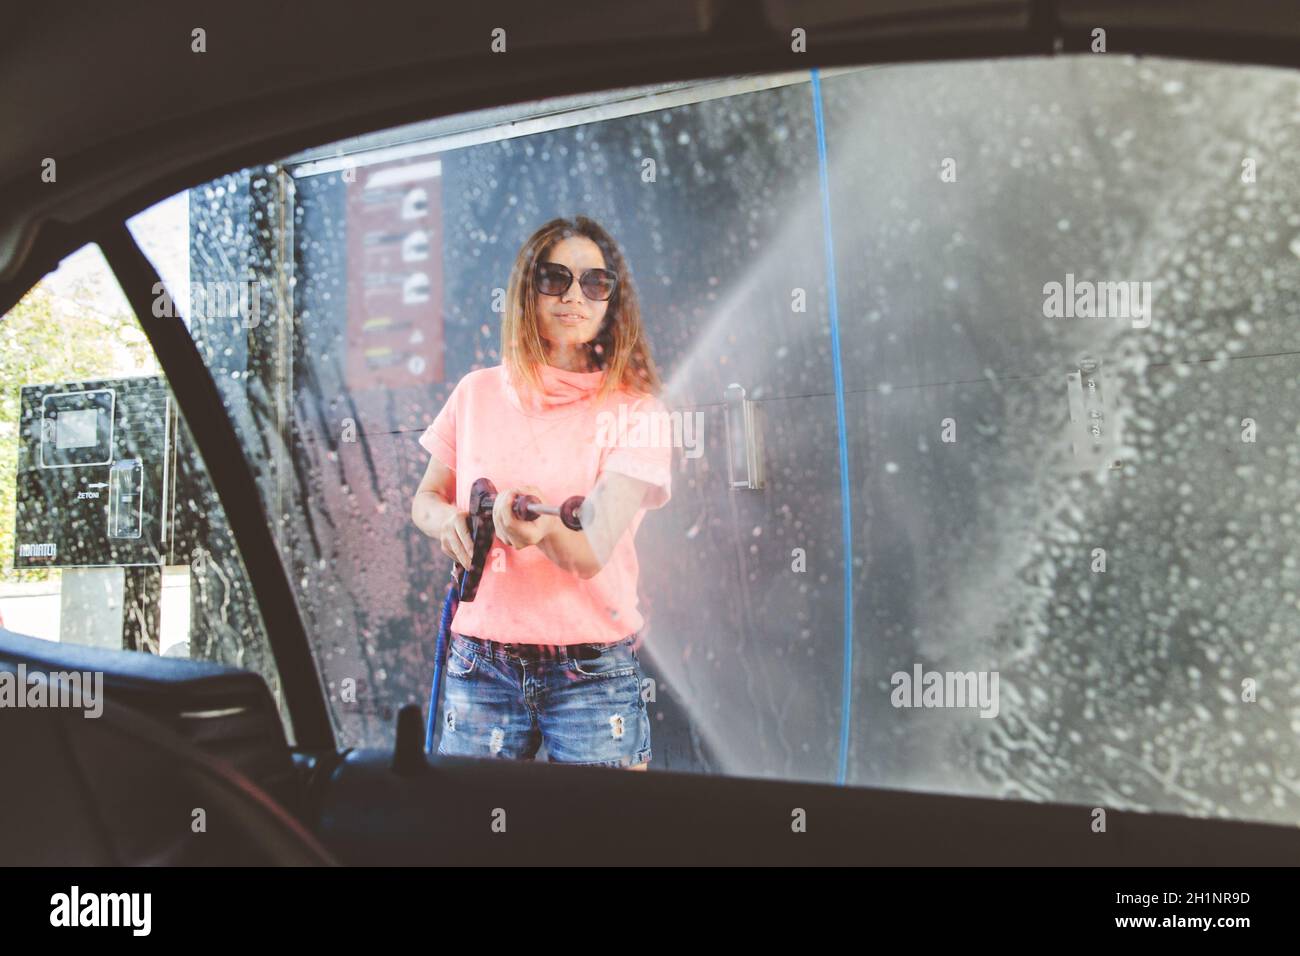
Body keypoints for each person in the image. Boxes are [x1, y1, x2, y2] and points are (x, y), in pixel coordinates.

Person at [411, 215, 671, 769]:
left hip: (592, 672)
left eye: (595, 283)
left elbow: (591, 550)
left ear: (612, 302)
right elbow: (426, 498)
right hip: (479, 663)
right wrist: (448, 524)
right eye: (555, 278)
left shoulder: (638, 414)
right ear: (526, 289)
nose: (575, 296)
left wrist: (543, 532)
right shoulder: (475, 393)